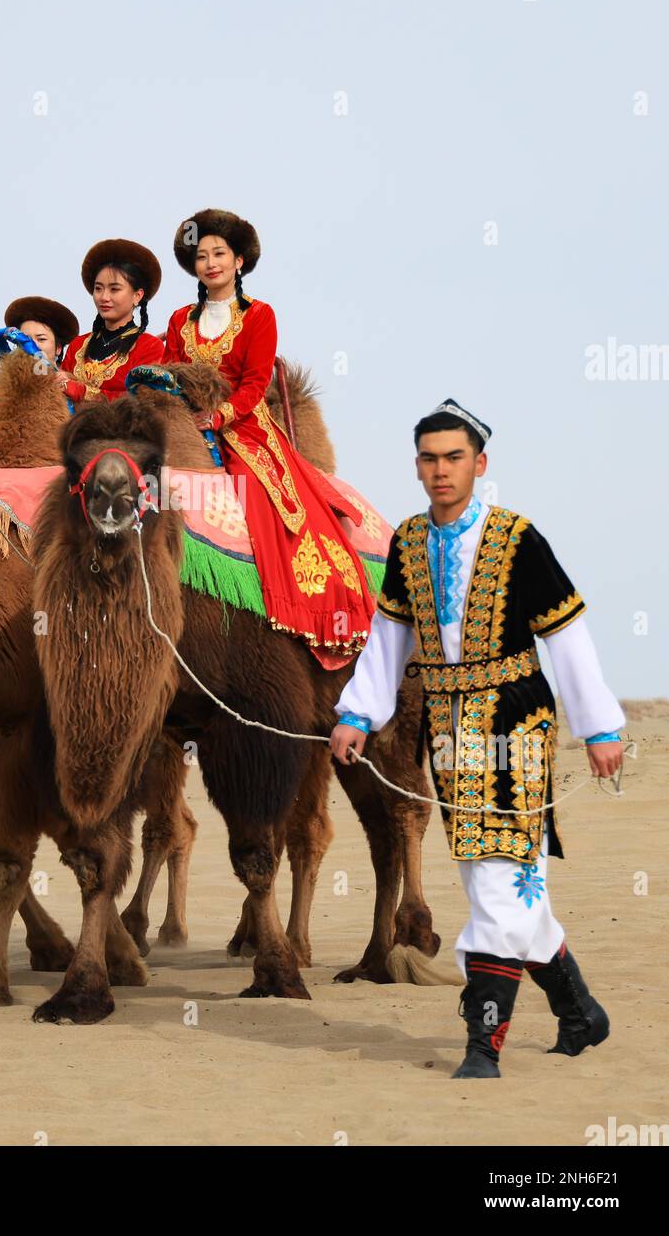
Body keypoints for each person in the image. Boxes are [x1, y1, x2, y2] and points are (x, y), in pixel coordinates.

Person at [329, 399, 624, 1079]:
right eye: (429, 458)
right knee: (507, 882)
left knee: (497, 882)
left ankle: (482, 1042)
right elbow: (389, 639)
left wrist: (600, 724)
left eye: (454, 457)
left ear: (479, 465)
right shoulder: (406, 542)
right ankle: (580, 1013)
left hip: (516, 718)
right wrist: (358, 713)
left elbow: (566, 634)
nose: (441, 470)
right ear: (417, 466)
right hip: (445, 721)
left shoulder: (519, 538)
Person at [164, 207, 373, 667]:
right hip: (183, 423)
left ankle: (311, 610)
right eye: (202, 256)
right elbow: (169, 376)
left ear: (239, 261)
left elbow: (256, 386)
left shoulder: (260, 316)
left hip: (246, 429)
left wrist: (216, 418)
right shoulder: (179, 320)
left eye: (220, 253)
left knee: (272, 506)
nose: (211, 263)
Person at [59, 239, 164, 402]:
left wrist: (80, 390)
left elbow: (143, 401)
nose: (104, 297)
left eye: (114, 289)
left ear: (137, 296)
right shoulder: (77, 345)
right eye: (98, 289)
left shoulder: (149, 347)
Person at [0, 296, 79, 406]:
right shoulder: (4, 389)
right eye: (25, 340)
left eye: (41, 339)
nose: (32, 345)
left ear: (58, 348)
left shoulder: (74, 388)